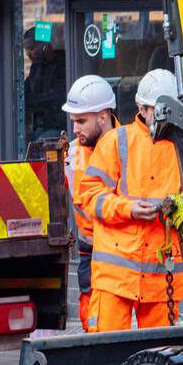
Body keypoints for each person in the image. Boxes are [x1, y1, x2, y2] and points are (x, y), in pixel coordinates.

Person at [77, 69, 183, 332]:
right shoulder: (116, 142)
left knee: (160, 358)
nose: (161, 116)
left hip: (161, 274)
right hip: (116, 276)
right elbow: (90, 195)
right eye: (154, 109)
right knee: (108, 353)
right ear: (140, 107)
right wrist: (128, 209)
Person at [62, 74, 118, 332]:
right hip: (89, 252)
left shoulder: (131, 147)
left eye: (81, 121)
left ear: (103, 116)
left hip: (123, 252)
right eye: (74, 121)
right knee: (93, 323)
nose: (75, 129)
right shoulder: (72, 154)